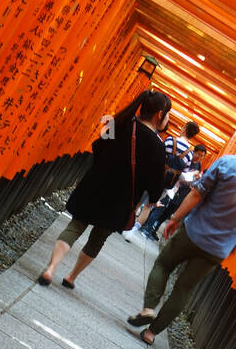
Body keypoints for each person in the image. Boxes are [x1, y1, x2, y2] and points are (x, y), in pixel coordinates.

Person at [127, 119, 236, 343]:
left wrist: (174, 218)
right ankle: (151, 333)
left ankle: (149, 308)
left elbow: (197, 194)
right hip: (218, 248)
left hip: (194, 231)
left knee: (163, 264)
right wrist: (235, 243)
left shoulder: (228, 163)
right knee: (184, 288)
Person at [39, 88, 171, 288]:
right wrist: (152, 201)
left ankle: (51, 268)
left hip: (95, 184)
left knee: (74, 226)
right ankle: (71, 277)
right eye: (168, 115)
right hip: (122, 199)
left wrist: (105, 167)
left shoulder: (118, 121)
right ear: (159, 114)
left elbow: (97, 146)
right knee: (98, 239)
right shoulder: (158, 147)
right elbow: (155, 183)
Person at [126, 120, 200, 237]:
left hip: (153, 175)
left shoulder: (171, 140)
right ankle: (132, 232)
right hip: (166, 183)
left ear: (184, 129)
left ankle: (126, 224)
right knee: (148, 206)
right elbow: (184, 172)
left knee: (138, 200)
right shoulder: (190, 153)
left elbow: (158, 154)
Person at [141, 143, 207, 240]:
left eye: (202, 156)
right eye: (198, 154)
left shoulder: (198, 165)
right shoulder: (187, 159)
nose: (199, 157)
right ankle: (146, 226)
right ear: (194, 152)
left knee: (166, 211)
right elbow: (180, 172)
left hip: (181, 191)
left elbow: (193, 179)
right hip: (172, 186)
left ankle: (151, 227)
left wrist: (195, 179)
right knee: (160, 206)